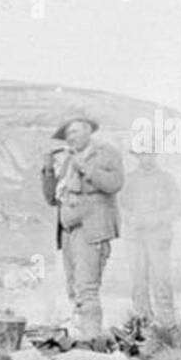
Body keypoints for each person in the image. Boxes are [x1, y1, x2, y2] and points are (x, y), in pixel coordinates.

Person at [40, 117, 124, 342]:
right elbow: (51, 199)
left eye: (75, 131)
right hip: (68, 232)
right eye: (67, 134)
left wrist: (85, 168)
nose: (70, 137)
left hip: (91, 231)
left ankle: (91, 340)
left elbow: (114, 184)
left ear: (88, 131)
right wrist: (48, 169)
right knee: (73, 290)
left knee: (87, 289)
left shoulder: (105, 153)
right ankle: (82, 338)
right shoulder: (66, 160)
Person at [120, 151, 181, 327]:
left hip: (158, 234)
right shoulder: (129, 180)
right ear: (137, 157)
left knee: (161, 278)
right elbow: (119, 206)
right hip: (135, 235)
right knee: (138, 278)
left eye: (150, 154)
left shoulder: (166, 179)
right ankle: (143, 319)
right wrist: (130, 219)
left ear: (156, 156)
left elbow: (177, 207)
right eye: (142, 155)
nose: (146, 158)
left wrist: (157, 219)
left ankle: (167, 321)